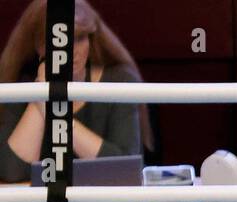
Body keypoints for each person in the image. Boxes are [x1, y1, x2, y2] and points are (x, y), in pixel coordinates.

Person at [0, 0, 151, 183]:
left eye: (79, 39)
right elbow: (11, 173)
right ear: (38, 45)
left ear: (90, 40)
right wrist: (41, 93)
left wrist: (49, 108)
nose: (71, 51)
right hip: (45, 201)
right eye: (58, 41)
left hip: (102, 200)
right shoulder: (21, 83)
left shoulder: (120, 80)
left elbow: (123, 170)